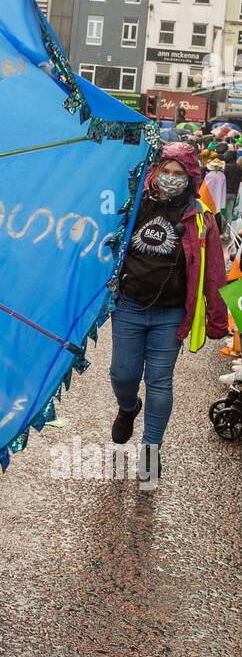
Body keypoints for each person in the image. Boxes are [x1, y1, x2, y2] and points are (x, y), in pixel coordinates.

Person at [109, 142, 227, 490]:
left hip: (172, 314)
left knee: (160, 381)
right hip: (129, 307)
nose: (171, 179)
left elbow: (216, 272)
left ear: (191, 178)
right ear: (156, 172)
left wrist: (217, 318)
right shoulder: (134, 206)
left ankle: (150, 451)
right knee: (122, 373)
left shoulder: (201, 217)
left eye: (179, 174)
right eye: (166, 172)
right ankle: (128, 408)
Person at [224, 149, 241, 224]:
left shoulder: (225, 167)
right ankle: (228, 232)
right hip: (234, 193)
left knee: (223, 212)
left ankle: (221, 229)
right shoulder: (239, 168)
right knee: (229, 213)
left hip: (225, 192)